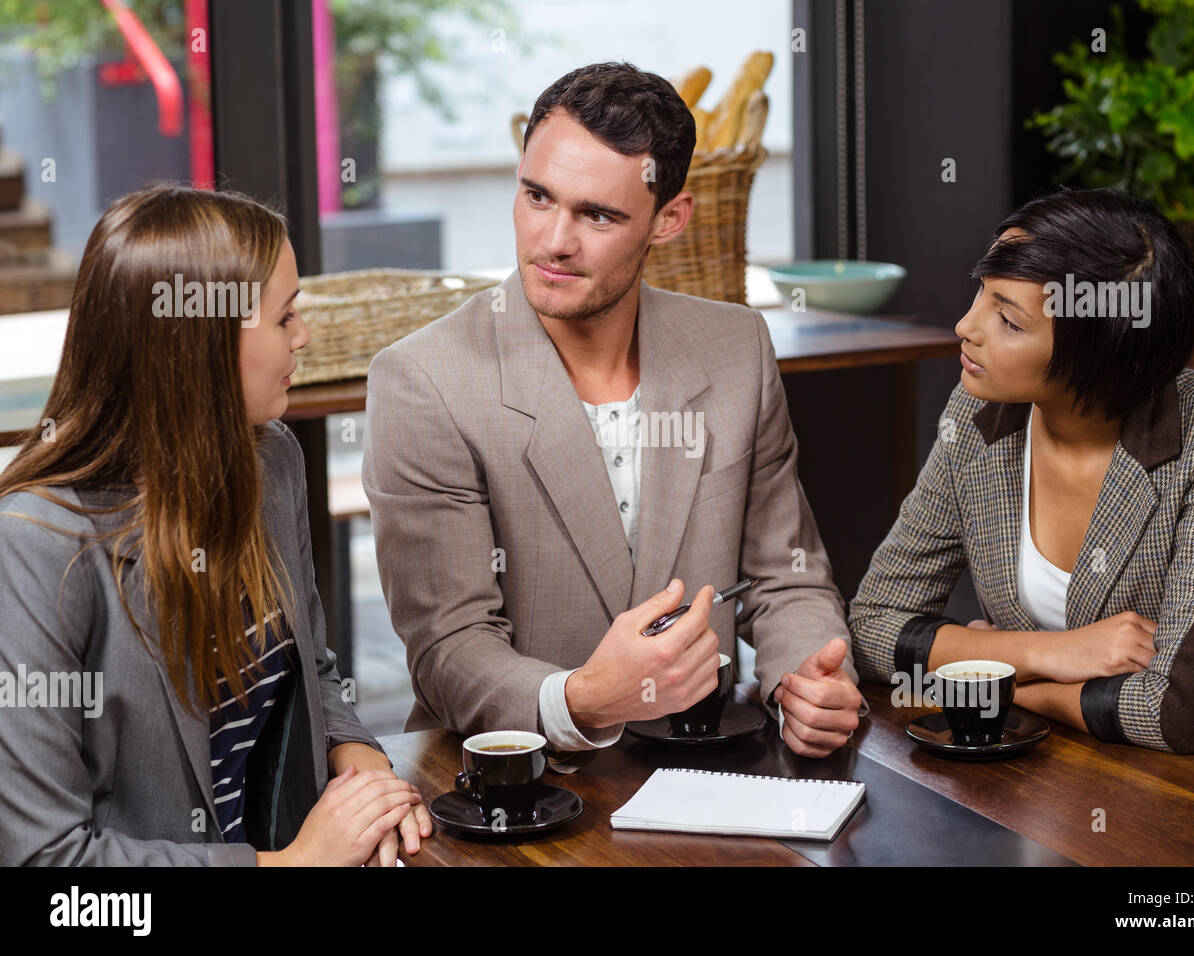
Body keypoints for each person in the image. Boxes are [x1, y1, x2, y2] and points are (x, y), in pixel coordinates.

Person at [363, 61, 865, 761]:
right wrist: (586, 699)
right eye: (537, 196)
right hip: (516, 788)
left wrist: (806, 677)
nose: (554, 241)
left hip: (707, 767)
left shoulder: (736, 346)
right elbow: (449, 649)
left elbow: (785, 575)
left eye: (597, 214)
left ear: (670, 220)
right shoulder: (423, 379)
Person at [0, 185, 435, 865]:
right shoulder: (33, 544)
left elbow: (312, 670)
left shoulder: (273, 461)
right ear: (198, 340)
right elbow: (46, 864)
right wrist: (287, 866)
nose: (305, 336)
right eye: (285, 316)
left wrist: (361, 767)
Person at [849, 187, 1194, 788]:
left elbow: (1182, 710)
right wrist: (1050, 655)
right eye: (982, 294)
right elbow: (873, 628)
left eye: (1008, 320)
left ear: (1099, 352)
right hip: (1030, 778)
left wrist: (994, 672)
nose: (965, 326)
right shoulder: (979, 417)